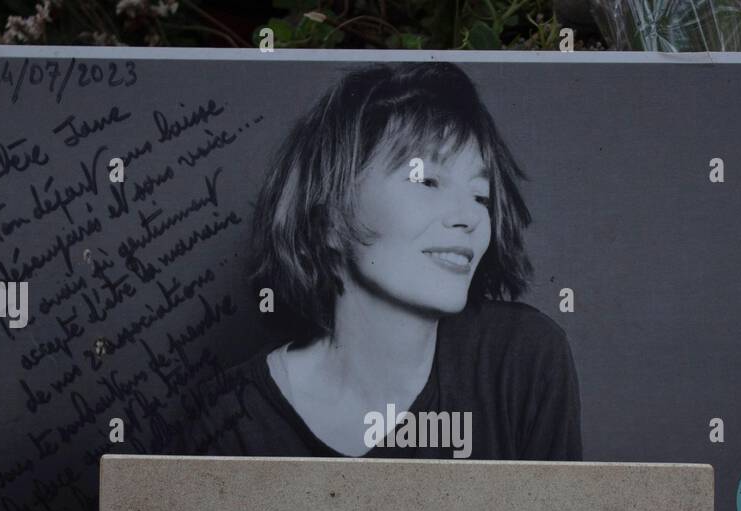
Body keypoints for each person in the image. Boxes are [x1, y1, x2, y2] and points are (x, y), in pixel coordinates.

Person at [195, 61, 582, 460]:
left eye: (480, 195)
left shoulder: (521, 360)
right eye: (427, 181)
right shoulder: (231, 417)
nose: (468, 217)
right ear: (328, 216)